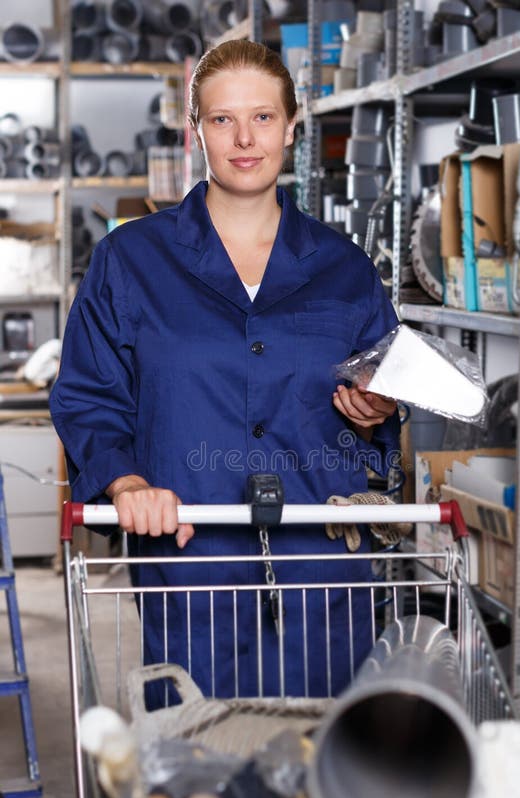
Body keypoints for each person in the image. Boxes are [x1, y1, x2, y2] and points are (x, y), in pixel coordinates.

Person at [50, 39, 400, 699]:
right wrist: (125, 484)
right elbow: (89, 398)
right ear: (196, 131)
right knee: (195, 771)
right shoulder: (129, 262)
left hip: (320, 568)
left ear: (293, 126)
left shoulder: (345, 269)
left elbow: (382, 401)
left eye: (263, 117)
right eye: (222, 119)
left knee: (317, 771)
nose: (245, 138)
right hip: (192, 564)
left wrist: (377, 408)